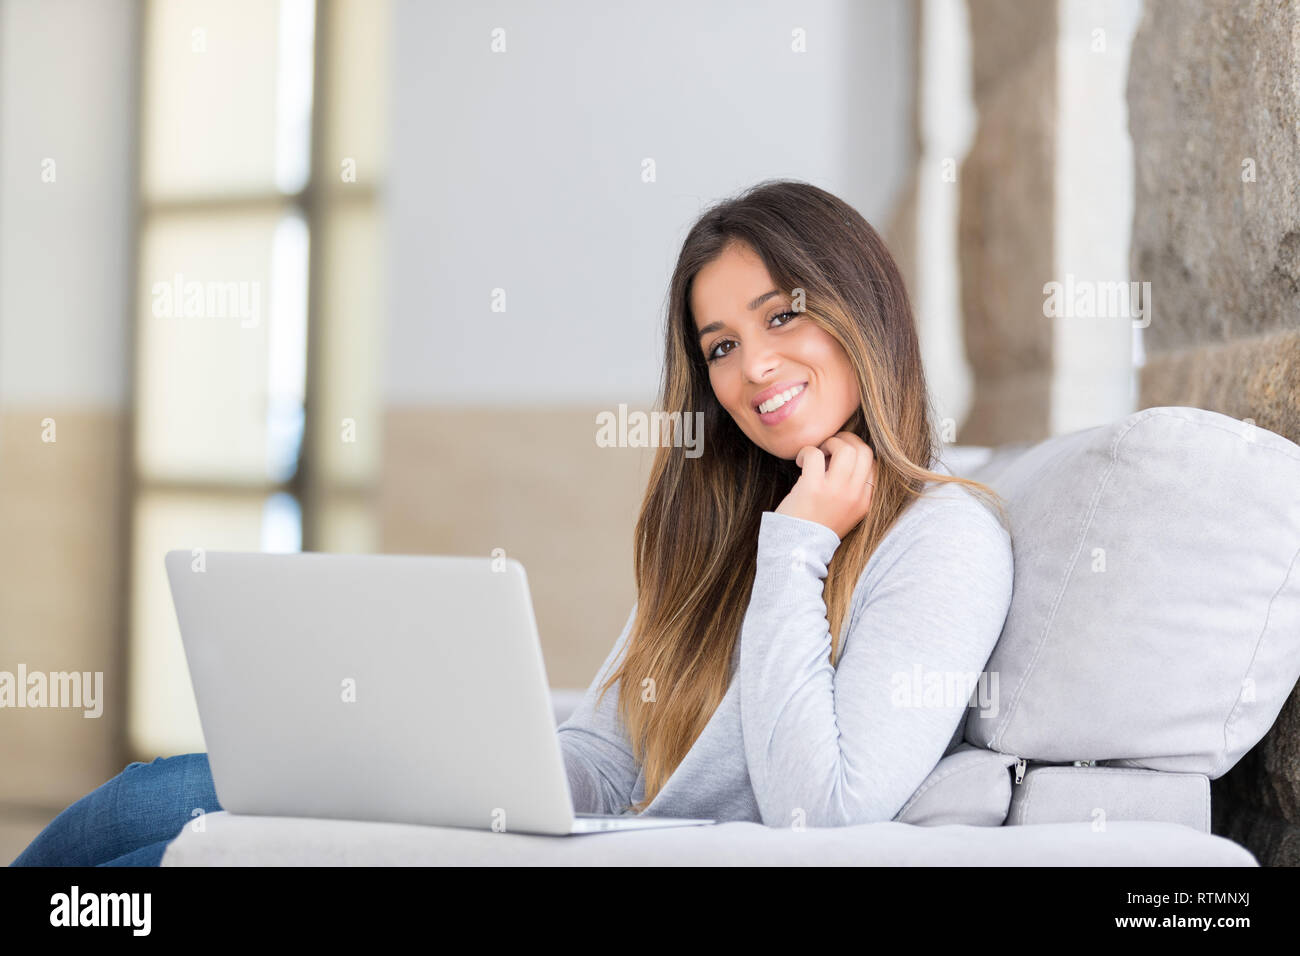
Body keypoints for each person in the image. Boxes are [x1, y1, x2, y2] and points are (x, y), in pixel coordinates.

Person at [12, 178, 1013, 865]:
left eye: (780, 315)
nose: (750, 367)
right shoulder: (734, 522)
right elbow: (616, 760)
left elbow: (822, 807)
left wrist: (799, 547)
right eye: (718, 343)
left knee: (152, 862)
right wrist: (434, 751)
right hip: (562, 837)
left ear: (862, 305)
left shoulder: (944, 539)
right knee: (150, 796)